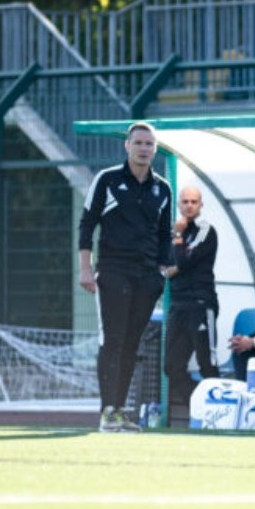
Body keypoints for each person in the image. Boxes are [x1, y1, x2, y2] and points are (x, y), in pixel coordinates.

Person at [78, 122, 173, 433]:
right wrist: (85, 267)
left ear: (155, 149)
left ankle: (119, 411)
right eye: (139, 143)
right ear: (127, 146)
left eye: (149, 144)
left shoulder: (163, 188)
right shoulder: (107, 180)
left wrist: (162, 270)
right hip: (114, 271)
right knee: (113, 341)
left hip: (147, 277)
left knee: (132, 344)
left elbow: (163, 234)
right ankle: (107, 411)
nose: (144, 148)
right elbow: (87, 223)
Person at [162, 186, 220, 405]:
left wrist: (178, 238)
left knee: (208, 363)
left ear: (201, 205)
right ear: (179, 205)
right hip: (178, 305)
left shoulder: (206, 230)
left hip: (200, 303)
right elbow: (164, 264)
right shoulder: (172, 232)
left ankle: (219, 412)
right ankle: (203, 404)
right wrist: (175, 264)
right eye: (185, 201)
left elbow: (184, 260)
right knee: (171, 366)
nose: (189, 205)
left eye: (193, 202)